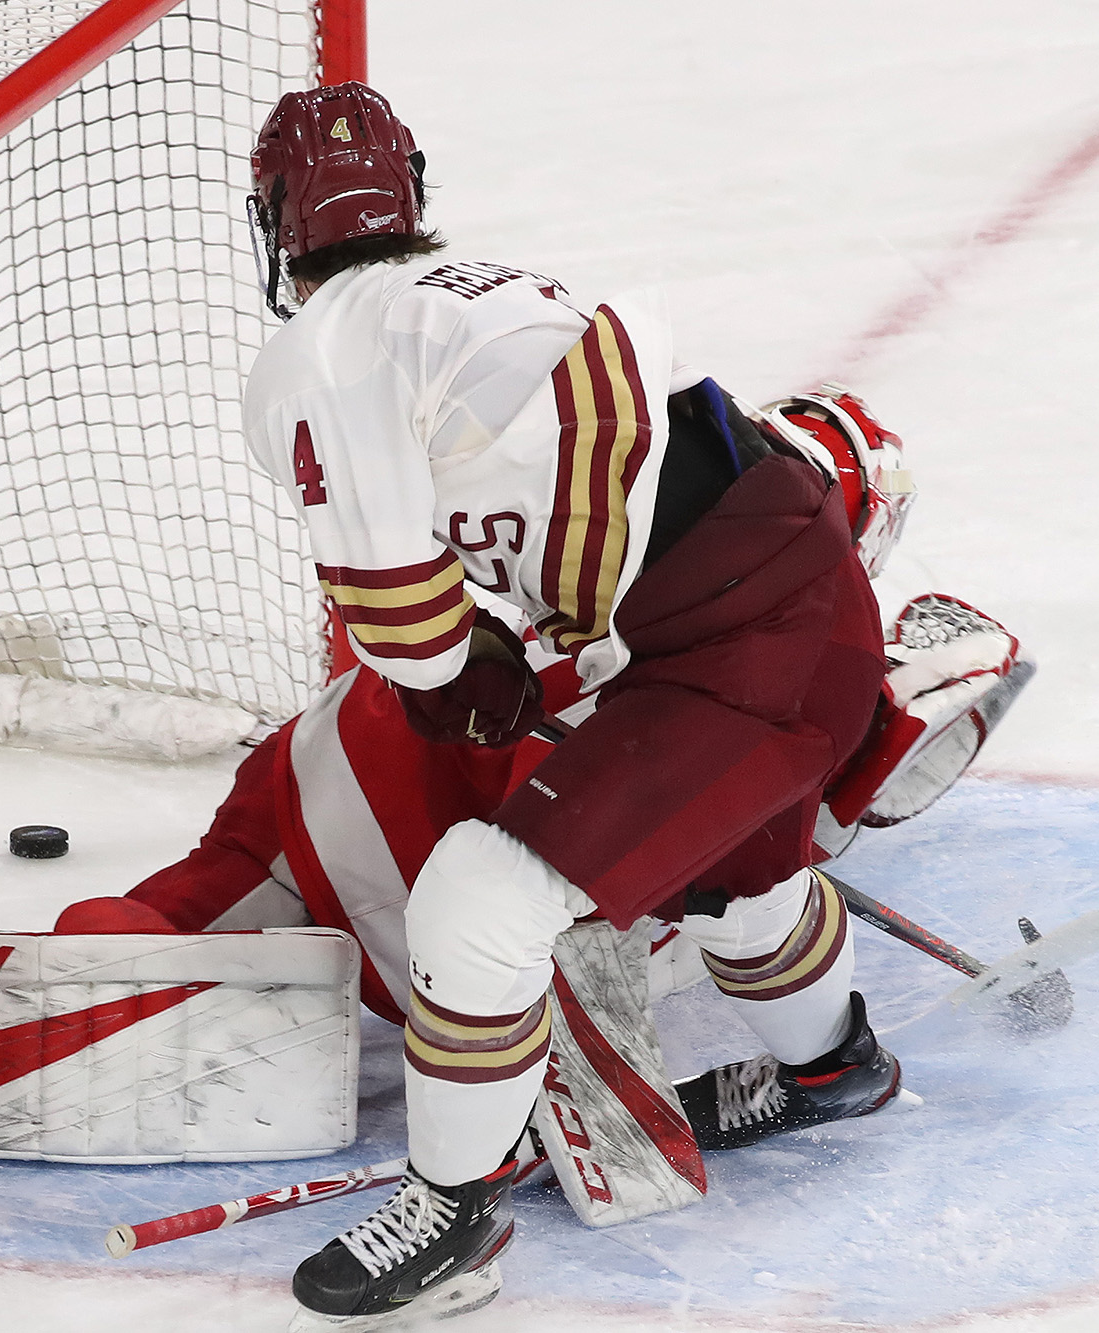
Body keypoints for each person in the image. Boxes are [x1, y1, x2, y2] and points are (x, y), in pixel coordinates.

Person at [232, 80, 923, 1329]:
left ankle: (451, 1218)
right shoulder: (485, 288)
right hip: (781, 591)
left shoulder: (322, 344)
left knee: (477, 902)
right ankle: (836, 1069)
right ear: (414, 199)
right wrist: (477, 652)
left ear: (275, 224)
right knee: (739, 890)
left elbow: (392, 604)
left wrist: (453, 675)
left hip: (735, 644)